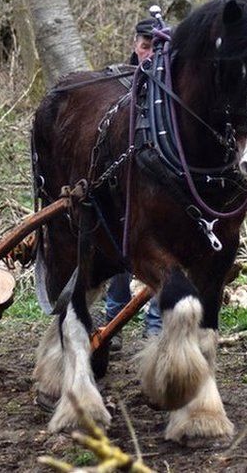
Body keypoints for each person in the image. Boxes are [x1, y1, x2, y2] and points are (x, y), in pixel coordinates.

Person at [103, 18, 163, 348]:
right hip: (121, 184)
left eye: (156, 47)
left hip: (160, 187)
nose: (149, 53)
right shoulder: (119, 80)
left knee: (163, 254)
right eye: (145, 46)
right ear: (135, 45)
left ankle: (155, 324)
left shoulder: (171, 88)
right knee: (119, 255)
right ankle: (113, 320)